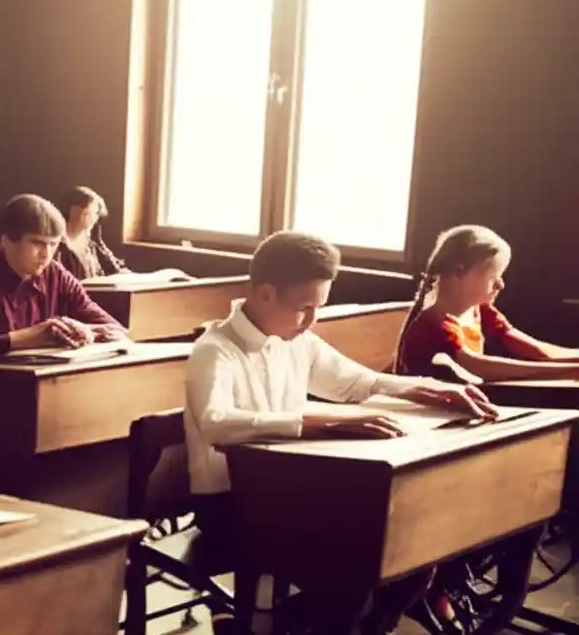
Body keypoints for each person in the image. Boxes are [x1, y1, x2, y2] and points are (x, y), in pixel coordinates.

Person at [184, 231, 498, 634]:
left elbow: (355, 382)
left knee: (411, 555)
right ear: (264, 294)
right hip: (231, 505)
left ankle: (314, 626)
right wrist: (328, 420)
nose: (311, 321)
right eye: (304, 308)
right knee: (359, 559)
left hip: (287, 493)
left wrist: (429, 388)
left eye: (319, 308)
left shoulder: (296, 339)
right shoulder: (215, 349)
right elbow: (216, 422)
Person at [0, 194, 127, 366]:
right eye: (37, 243)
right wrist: (30, 336)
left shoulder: (57, 275)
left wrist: (81, 330)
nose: (46, 255)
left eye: (53, 244)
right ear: (7, 241)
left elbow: (116, 330)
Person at [395, 224, 579, 380]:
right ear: (459, 272)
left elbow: (539, 352)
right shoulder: (434, 324)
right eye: (494, 276)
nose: (501, 284)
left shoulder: (481, 311)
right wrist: (568, 371)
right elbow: (475, 366)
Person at [55, 186, 129, 280]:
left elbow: (113, 269)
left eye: (96, 213)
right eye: (92, 213)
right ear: (74, 211)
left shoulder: (93, 241)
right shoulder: (56, 244)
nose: (95, 218)